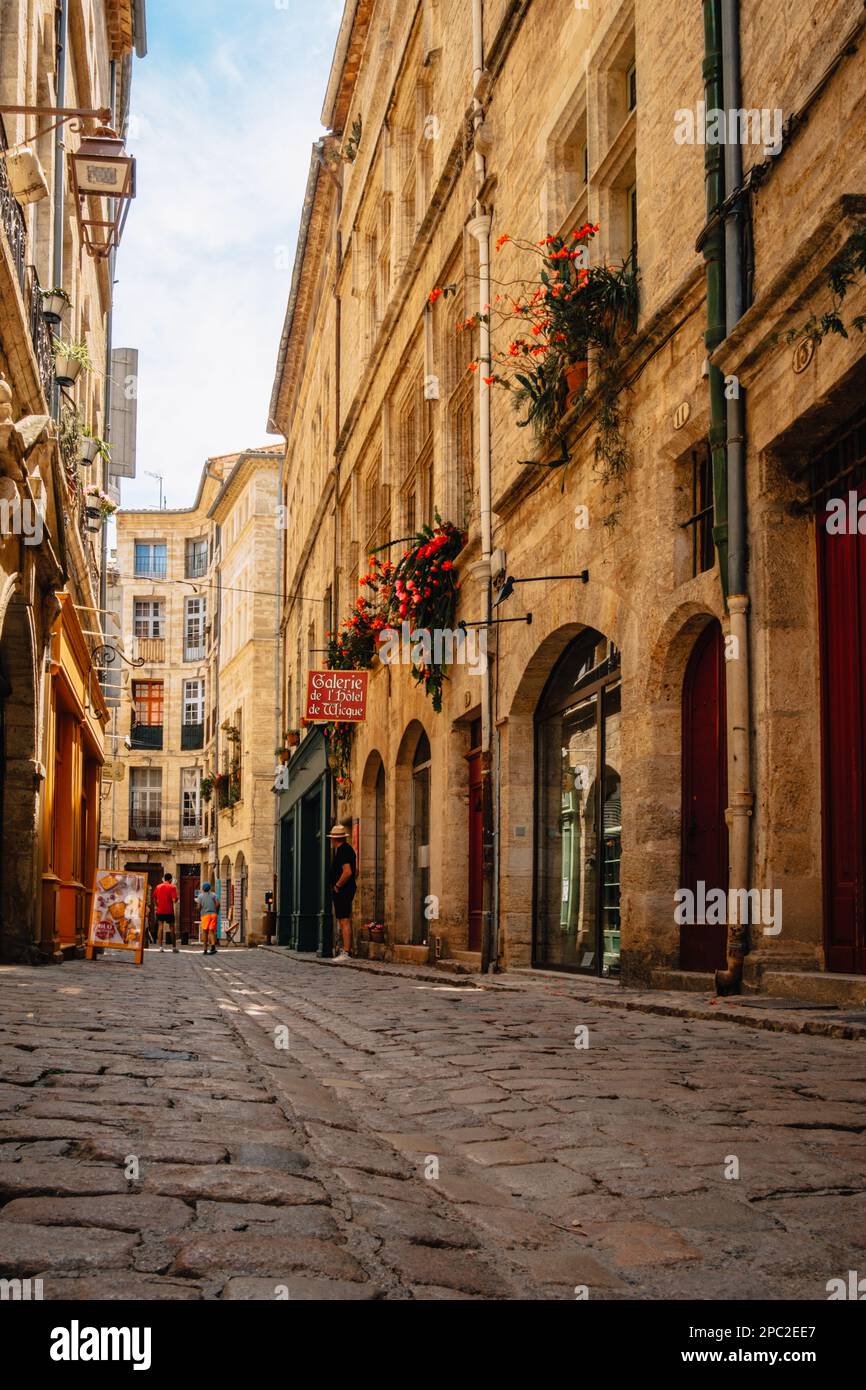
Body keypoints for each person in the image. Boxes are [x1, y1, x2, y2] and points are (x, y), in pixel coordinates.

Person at [328, 823, 357, 960]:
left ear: (334, 839)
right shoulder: (345, 849)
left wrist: (338, 886)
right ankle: (345, 950)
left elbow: (348, 872)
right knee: (342, 919)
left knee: (344, 920)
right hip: (345, 889)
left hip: (343, 890)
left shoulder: (344, 850)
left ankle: (346, 952)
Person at [153, 872, 179, 953]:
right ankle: (174, 947)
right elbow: (174, 900)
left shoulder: (158, 886)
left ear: (164, 879)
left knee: (160, 927)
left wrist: (157, 906)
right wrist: (177, 898)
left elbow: (154, 898)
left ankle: (160, 947)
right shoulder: (172, 887)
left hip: (160, 910)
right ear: (171, 879)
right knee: (172, 928)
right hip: (169, 911)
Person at [198, 881, 219, 955]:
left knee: (204, 932)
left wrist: (199, 908)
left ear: (203, 889)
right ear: (209, 888)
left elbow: (199, 906)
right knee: (211, 931)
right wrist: (214, 909)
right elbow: (217, 904)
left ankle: (205, 949)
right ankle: (213, 947)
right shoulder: (214, 895)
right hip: (213, 914)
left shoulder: (200, 896)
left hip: (205, 915)